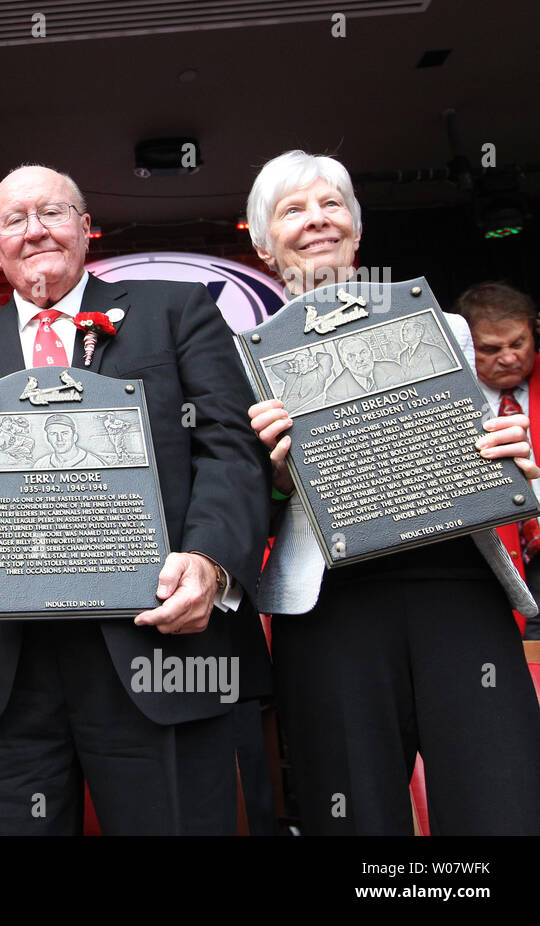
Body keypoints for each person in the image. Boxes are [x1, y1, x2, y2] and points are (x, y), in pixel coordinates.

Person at [0, 164, 271, 835]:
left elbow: (231, 448)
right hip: (3, 675)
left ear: (85, 227)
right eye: (14, 221)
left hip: (158, 650)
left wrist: (210, 561)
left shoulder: (177, 310)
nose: (36, 230)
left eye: (53, 212)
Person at [246, 150, 540, 834]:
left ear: (356, 228)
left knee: (502, 799)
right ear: (263, 244)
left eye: (332, 205)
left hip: (456, 581)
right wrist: (282, 480)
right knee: (353, 810)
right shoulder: (239, 356)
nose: (318, 221)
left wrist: (511, 464)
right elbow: (241, 504)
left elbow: (480, 456)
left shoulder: (447, 329)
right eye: (294, 210)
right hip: (331, 608)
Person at [456, 280, 540, 638]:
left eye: (518, 343)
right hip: (490, 567)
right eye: (490, 349)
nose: (508, 357)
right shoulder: (447, 397)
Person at [31, 414, 106, 469]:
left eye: (65, 433)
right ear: (47, 438)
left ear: (74, 437)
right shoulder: (40, 465)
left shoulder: (94, 463)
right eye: (53, 434)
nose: (59, 439)